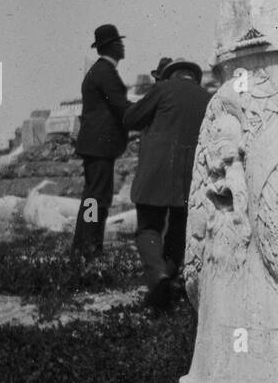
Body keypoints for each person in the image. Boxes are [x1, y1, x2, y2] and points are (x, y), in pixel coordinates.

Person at [124, 56, 212, 307]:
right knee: (178, 228)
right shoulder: (207, 98)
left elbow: (131, 119)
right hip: (190, 177)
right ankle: (168, 277)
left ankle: (159, 276)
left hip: (156, 171)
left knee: (148, 227)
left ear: (170, 74)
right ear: (193, 76)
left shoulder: (162, 89)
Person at [72, 24, 133, 257]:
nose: (122, 45)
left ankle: (84, 246)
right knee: (96, 199)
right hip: (99, 147)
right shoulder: (106, 73)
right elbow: (121, 108)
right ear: (111, 46)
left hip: (94, 146)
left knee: (93, 197)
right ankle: (88, 248)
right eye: (119, 42)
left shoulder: (98, 71)